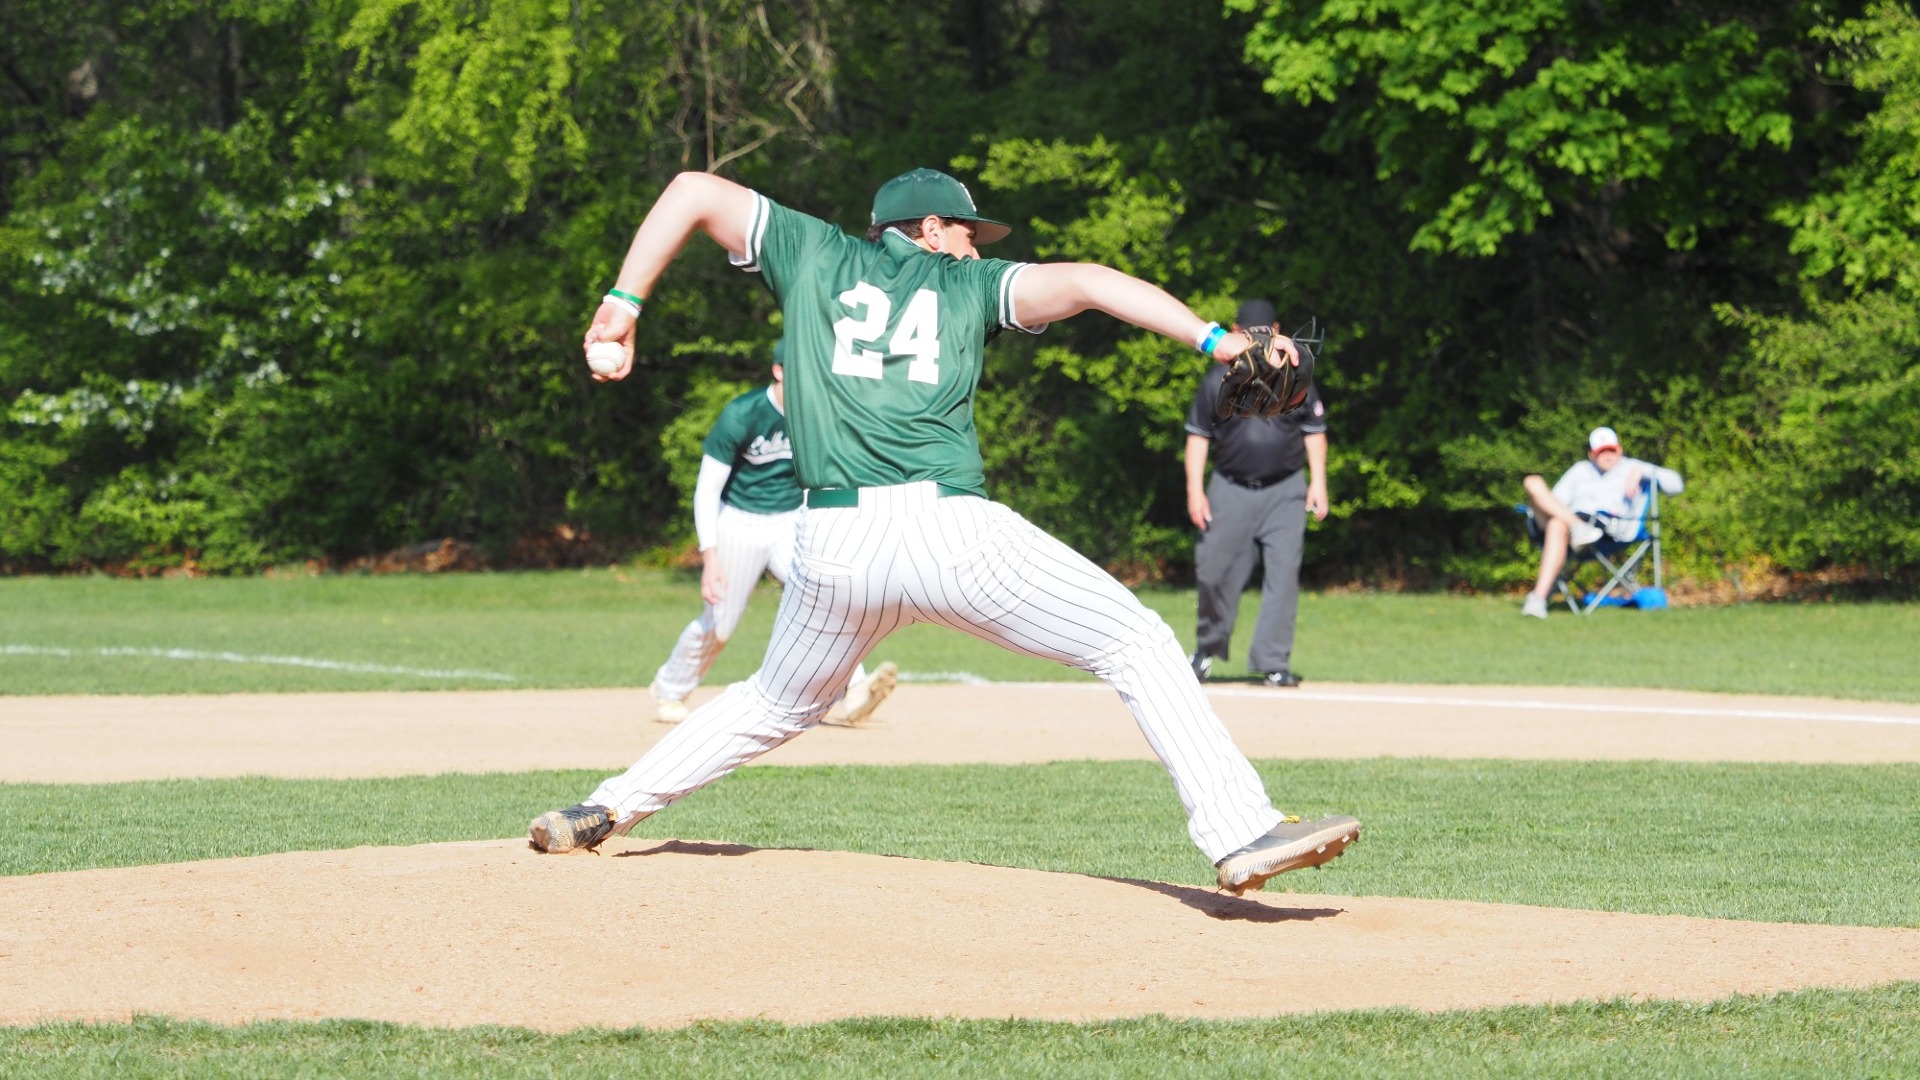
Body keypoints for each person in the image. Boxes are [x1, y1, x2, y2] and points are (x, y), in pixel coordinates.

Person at [530, 167, 1360, 896]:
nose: (976, 243)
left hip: (832, 543)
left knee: (776, 701)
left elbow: (690, 191)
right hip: (947, 532)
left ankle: (604, 808)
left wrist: (624, 304)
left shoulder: (812, 252)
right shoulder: (968, 285)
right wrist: (1216, 340)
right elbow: (1092, 281)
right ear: (929, 229)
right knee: (1138, 641)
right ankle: (1240, 832)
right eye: (967, 229)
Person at [648, 341, 898, 726]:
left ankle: (854, 691)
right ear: (778, 371)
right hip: (740, 523)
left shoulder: (817, 411)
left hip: (790, 522)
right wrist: (709, 555)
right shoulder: (742, 414)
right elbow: (707, 489)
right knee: (721, 624)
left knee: (829, 595)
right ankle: (670, 690)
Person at [1183, 299, 1329, 689]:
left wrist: (1319, 482)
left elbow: (1314, 432)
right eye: (1250, 332)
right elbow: (1198, 438)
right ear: (1235, 332)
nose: (1259, 337)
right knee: (1214, 574)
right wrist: (1195, 492)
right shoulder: (1217, 379)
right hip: (1230, 487)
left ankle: (1273, 662)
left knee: (1283, 577)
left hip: (1285, 490)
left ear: (1277, 328)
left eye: (1265, 330)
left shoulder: (1297, 373)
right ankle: (1206, 651)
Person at [1520, 425, 1684, 618]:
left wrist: (1643, 470)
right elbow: (1555, 500)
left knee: (1557, 524)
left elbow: (1676, 485)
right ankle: (1577, 526)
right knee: (1532, 482)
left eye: (1611, 451)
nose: (1607, 456)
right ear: (1591, 454)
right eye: (1601, 452)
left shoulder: (1632, 467)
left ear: (1619, 450)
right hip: (1570, 527)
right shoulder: (1580, 470)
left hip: (1606, 531)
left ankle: (1538, 599)